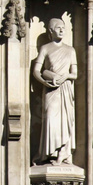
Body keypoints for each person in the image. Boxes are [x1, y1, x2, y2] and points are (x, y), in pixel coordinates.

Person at [32, 18, 77, 165]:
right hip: (51, 90)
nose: (62, 30)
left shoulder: (70, 50)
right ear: (51, 31)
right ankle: (49, 154)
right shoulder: (45, 48)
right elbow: (36, 71)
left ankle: (63, 153)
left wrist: (66, 76)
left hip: (65, 89)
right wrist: (45, 81)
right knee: (51, 119)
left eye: (64, 27)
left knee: (65, 121)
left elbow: (75, 74)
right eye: (58, 28)